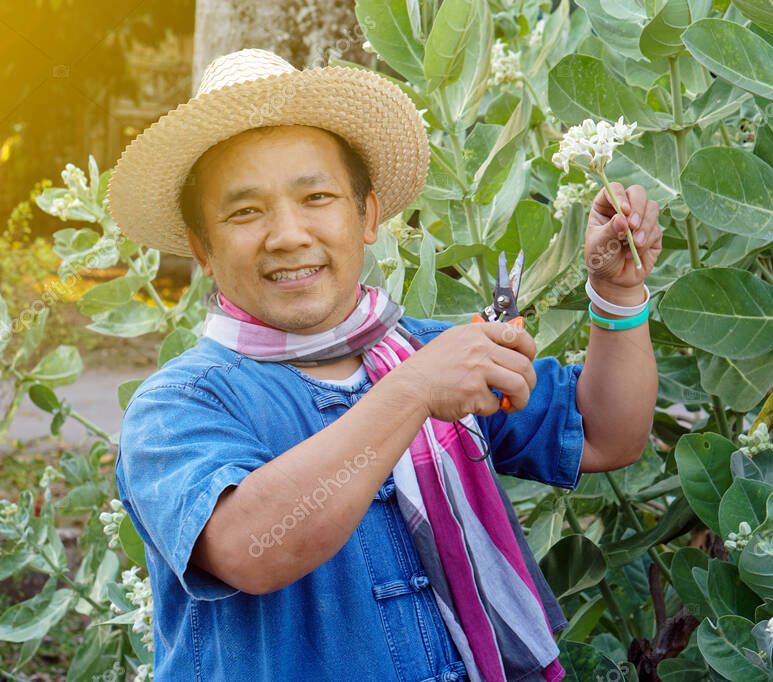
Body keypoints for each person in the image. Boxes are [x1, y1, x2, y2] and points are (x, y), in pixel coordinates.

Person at [106, 48, 663, 681]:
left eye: (316, 196)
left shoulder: (427, 353)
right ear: (203, 247)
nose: (288, 234)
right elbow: (249, 547)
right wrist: (412, 393)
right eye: (245, 211)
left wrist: (616, 294)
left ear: (367, 215)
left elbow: (605, 434)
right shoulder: (177, 405)